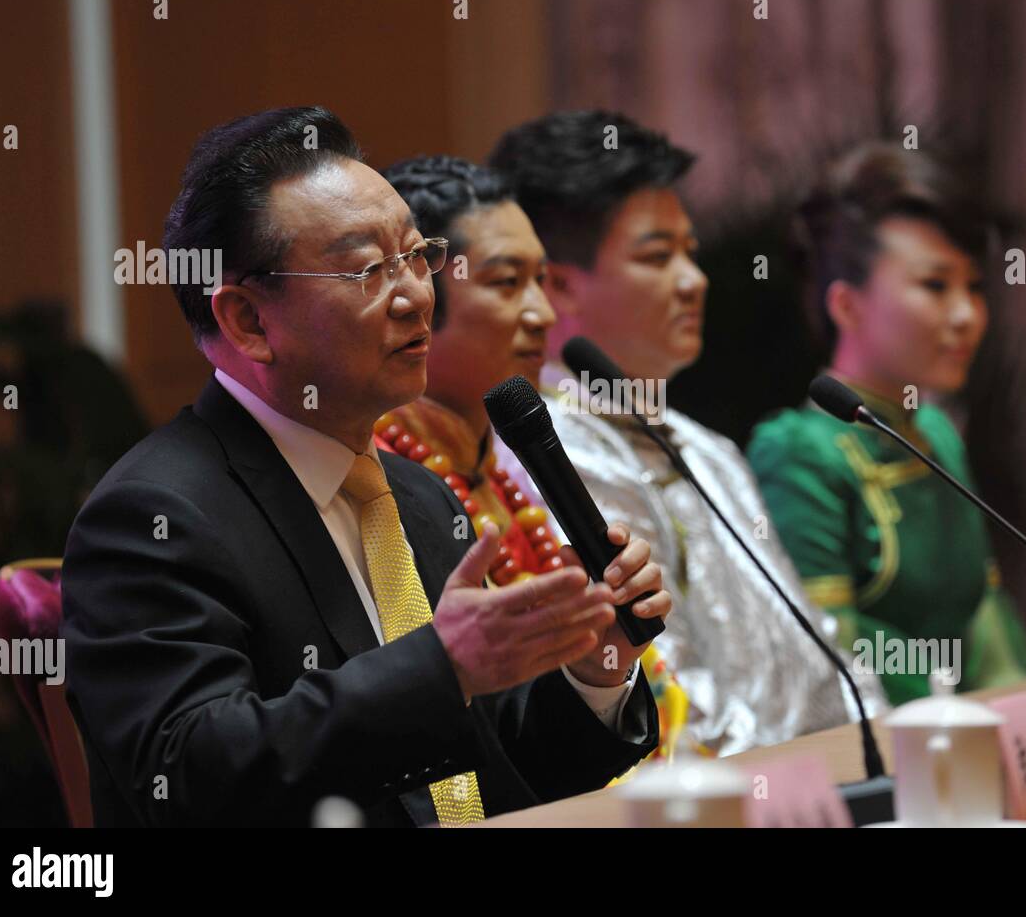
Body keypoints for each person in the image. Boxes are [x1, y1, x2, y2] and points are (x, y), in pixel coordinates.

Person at [60, 107, 670, 827]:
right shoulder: (152, 517)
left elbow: (502, 776)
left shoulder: (415, 494)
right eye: (367, 269)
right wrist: (443, 669)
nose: (417, 295)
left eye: (418, 256)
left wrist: (594, 666)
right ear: (249, 321)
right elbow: (191, 776)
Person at [489, 110, 886, 757]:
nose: (693, 281)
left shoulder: (704, 445)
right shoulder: (547, 453)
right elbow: (662, 693)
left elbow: (811, 641)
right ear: (557, 284)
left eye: (689, 253)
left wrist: (879, 738)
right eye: (657, 256)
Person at [371, 154, 691, 759]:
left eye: (541, 280)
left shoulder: (498, 468)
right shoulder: (379, 480)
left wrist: (606, 655)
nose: (542, 314)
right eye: (506, 281)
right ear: (418, 295)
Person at [747, 142, 1026, 705]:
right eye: (935, 286)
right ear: (847, 306)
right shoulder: (795, 451)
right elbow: (828, 648)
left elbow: (985, 623)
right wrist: (967, 713)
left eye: (974, 287)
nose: (965, 315)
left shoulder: (935, 433)